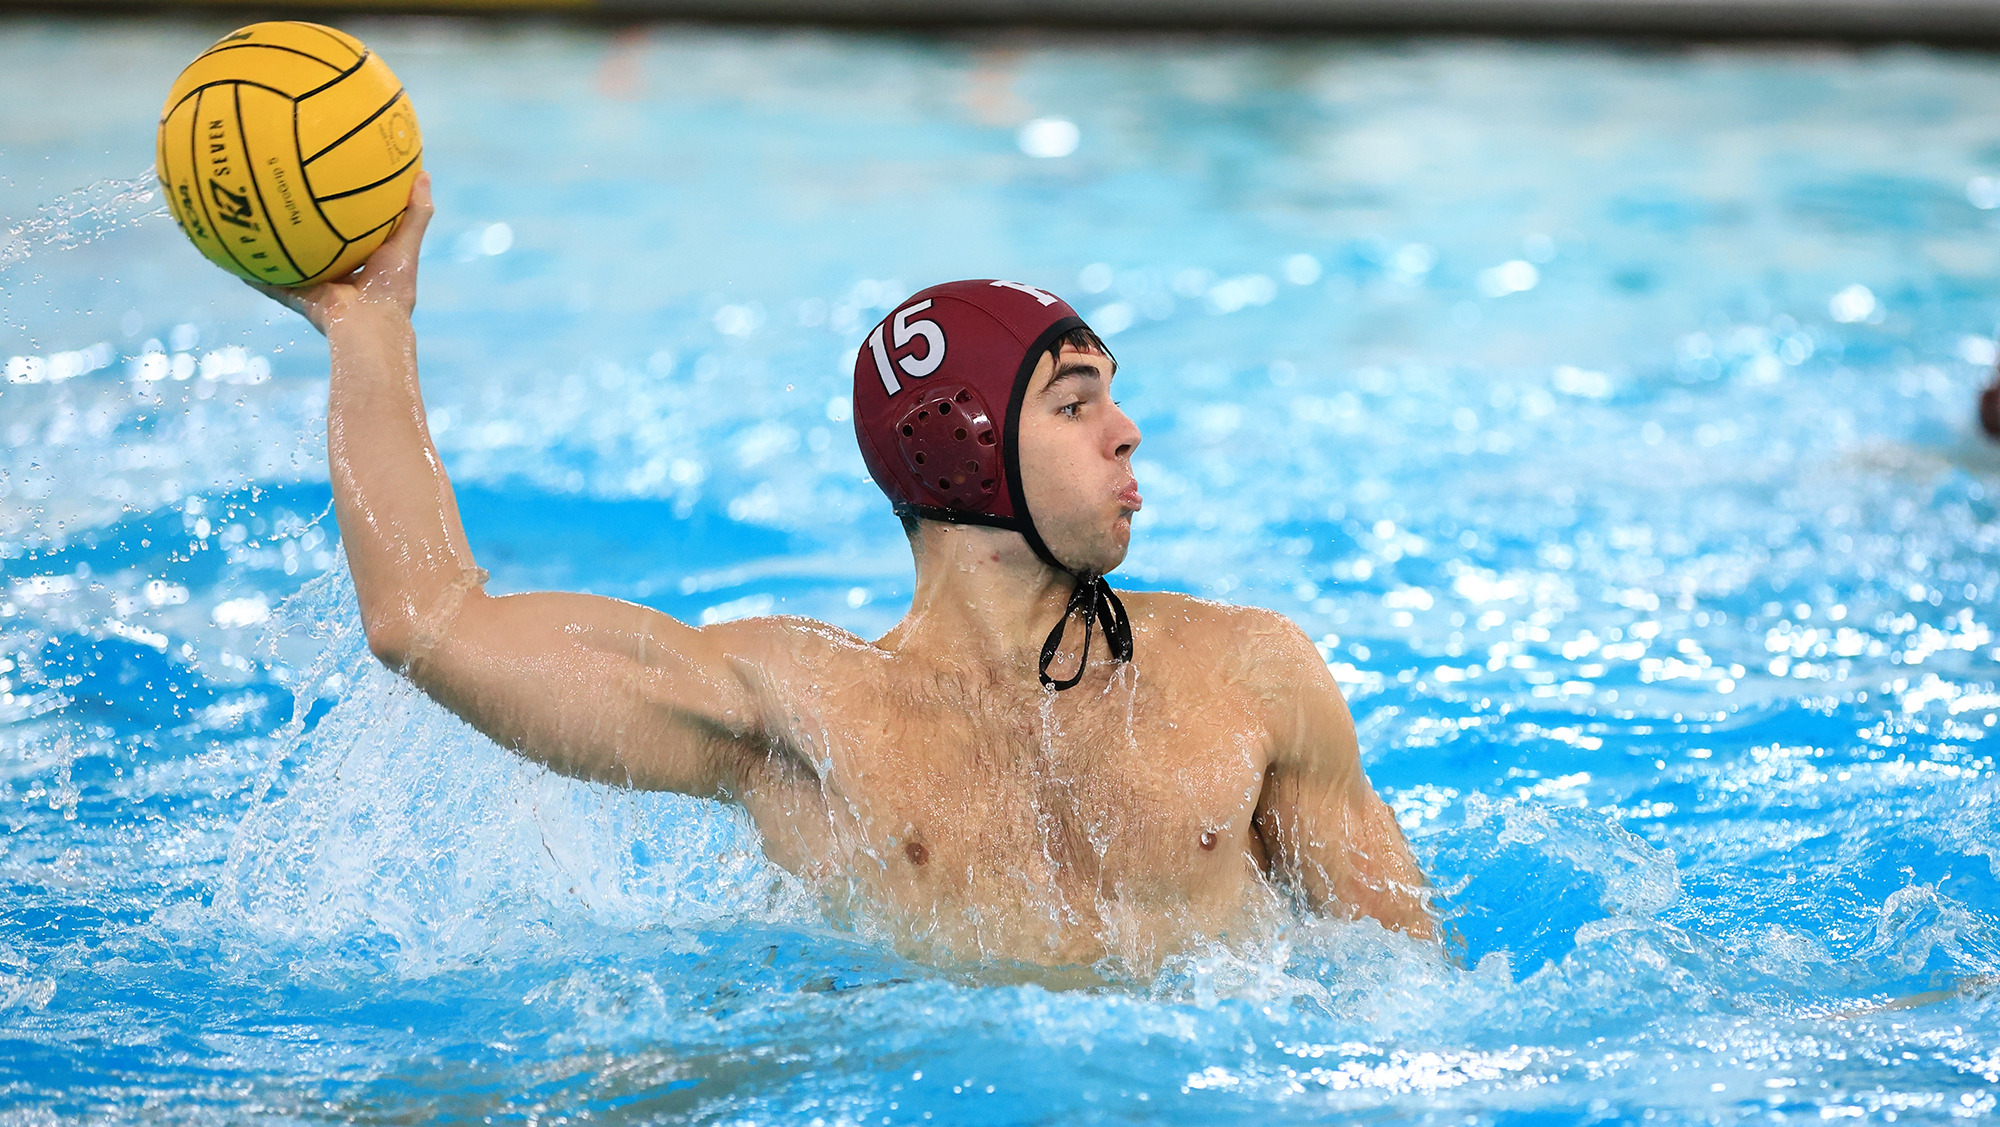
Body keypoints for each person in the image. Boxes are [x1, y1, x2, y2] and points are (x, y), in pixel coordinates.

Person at [257, 173, 1437, 973]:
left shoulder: (1248, 674)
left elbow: (1409, 985)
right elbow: (429, 621)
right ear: (959, 442)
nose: (1126, 432)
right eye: (1075, 403)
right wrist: (373, 325)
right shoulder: (804, 715)